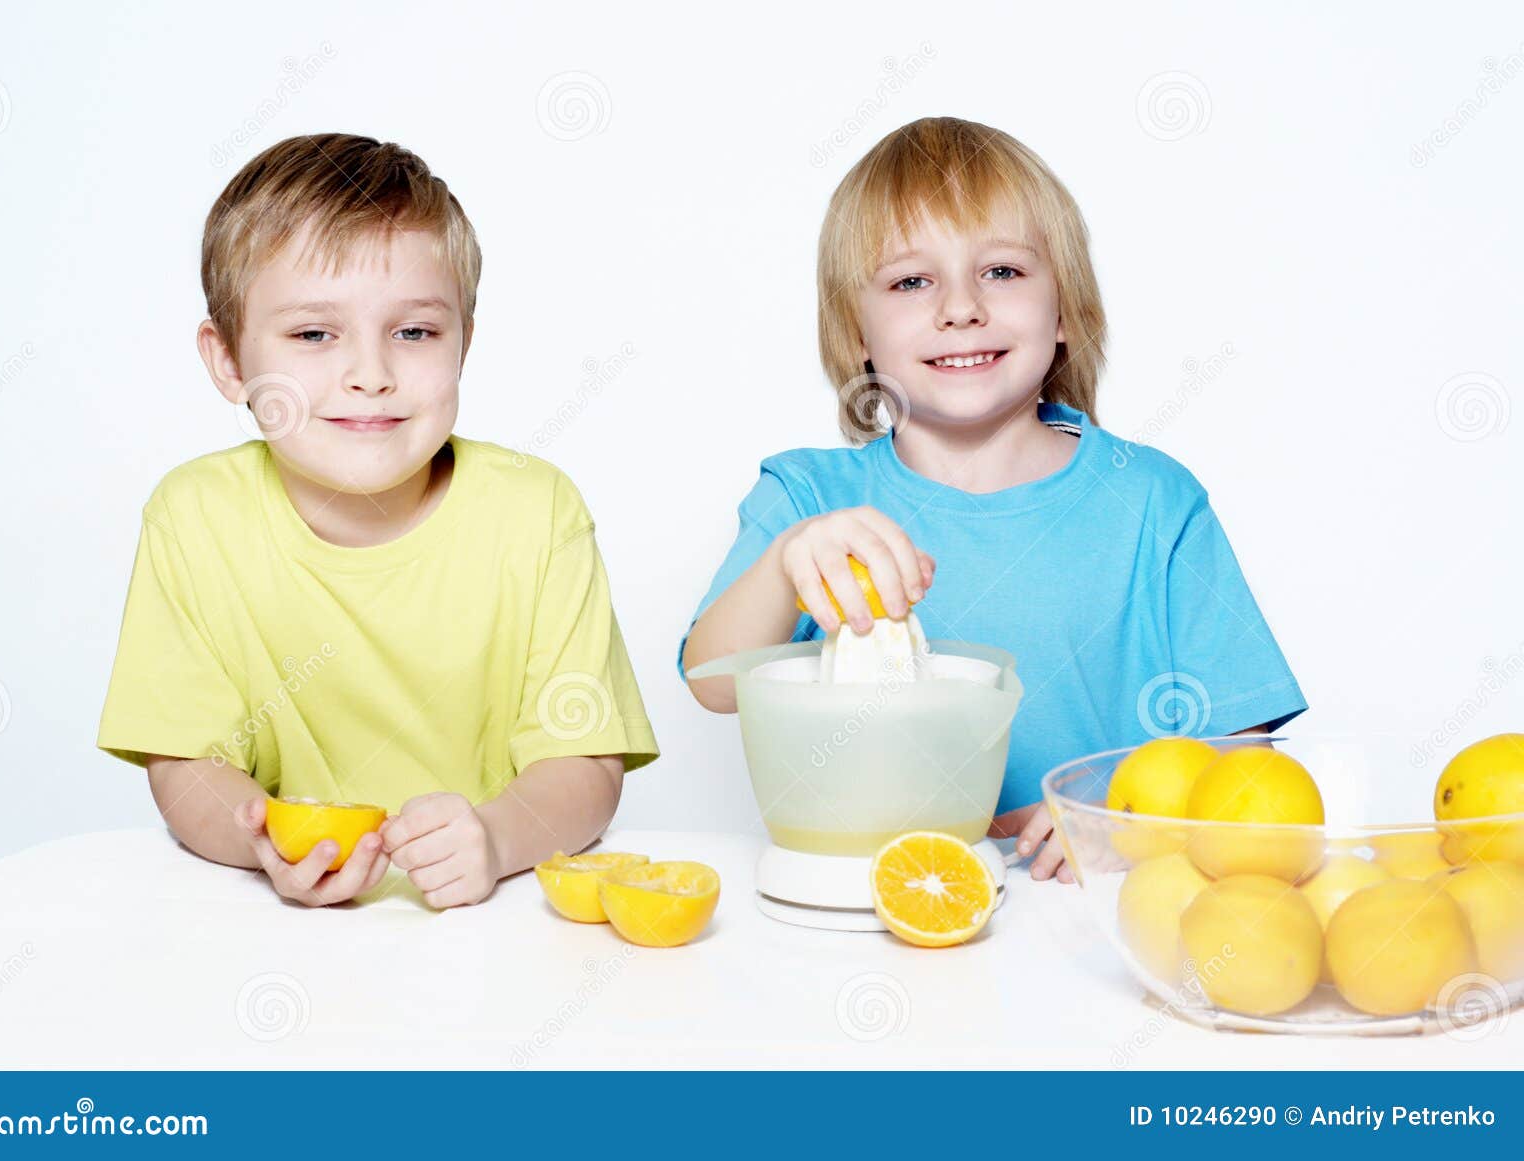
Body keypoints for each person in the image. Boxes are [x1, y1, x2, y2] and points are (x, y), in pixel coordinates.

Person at [680, 117, 1304, 883]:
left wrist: (1139, 831)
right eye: (912, 281)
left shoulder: (1153, 503)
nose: (961, 307)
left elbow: (1244, 749)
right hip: (882, 915)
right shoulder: (812, 499)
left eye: (1003, 272)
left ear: (1068, 309)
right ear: (856, 334)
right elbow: (712, 681)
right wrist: (786, 562)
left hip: (1101, 913)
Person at [98, 134, 657, 908]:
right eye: (313, 334)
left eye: (415, 332)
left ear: (464, 340)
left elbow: (586, 766)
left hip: (496, 925)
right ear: (228, 359)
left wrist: (495, 840)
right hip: (279, 939)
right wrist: (260, 843)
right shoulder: (193, 517)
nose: (370, 374)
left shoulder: (537, 511)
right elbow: (185, 764)